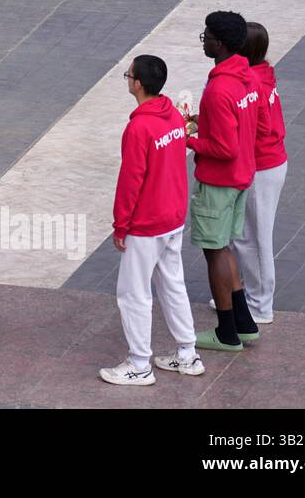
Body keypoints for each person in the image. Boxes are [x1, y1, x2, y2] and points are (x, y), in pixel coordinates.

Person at [101, 54, 202, 386]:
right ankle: (188, 353)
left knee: (133, 293)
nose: (127, 79)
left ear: (138, 84)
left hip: (147, 223)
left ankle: (139, 364)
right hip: (173, 217)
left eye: (128, 75)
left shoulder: (138, 128)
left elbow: (131, 181)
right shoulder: (172, 114)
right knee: (173, 284)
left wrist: (121, 225)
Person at [184, 11, 263, 353]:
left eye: (206, 37)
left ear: (220, 42)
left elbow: (221, 147)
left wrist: (186, 139)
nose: (204, 42)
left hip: (218, 182)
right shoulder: (247, 78)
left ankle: (226, 333)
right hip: (243, 177)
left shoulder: (218, 88)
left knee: (214, 253)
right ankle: (244, 324)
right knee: (226, 247)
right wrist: (203, 122)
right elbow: (238, 125)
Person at [233, 22, 287, 326]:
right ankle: (243, 296)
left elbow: (260, 127)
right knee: (244, 235)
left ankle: (260, 305)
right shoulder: (263, 72)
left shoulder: (252, 81)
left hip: (262, 167)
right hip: (269, 163)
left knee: (254, 238)